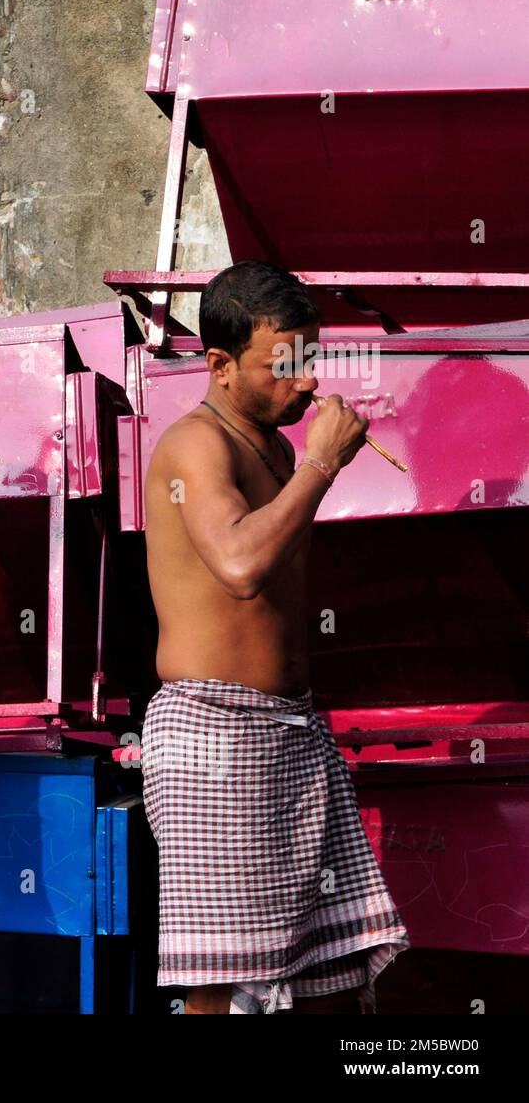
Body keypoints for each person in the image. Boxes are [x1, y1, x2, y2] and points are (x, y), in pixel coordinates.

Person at [141, 261, 410, 1015]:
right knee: (223, 995)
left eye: (310, 361)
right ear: (220, 366)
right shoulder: (196, 446)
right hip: (215, 743)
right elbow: (240, 566)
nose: (303, 384)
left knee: (330, 976)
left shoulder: (278, 450)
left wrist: (307, 462)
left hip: (291, 736)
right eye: (281, 367)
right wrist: (324, 464)